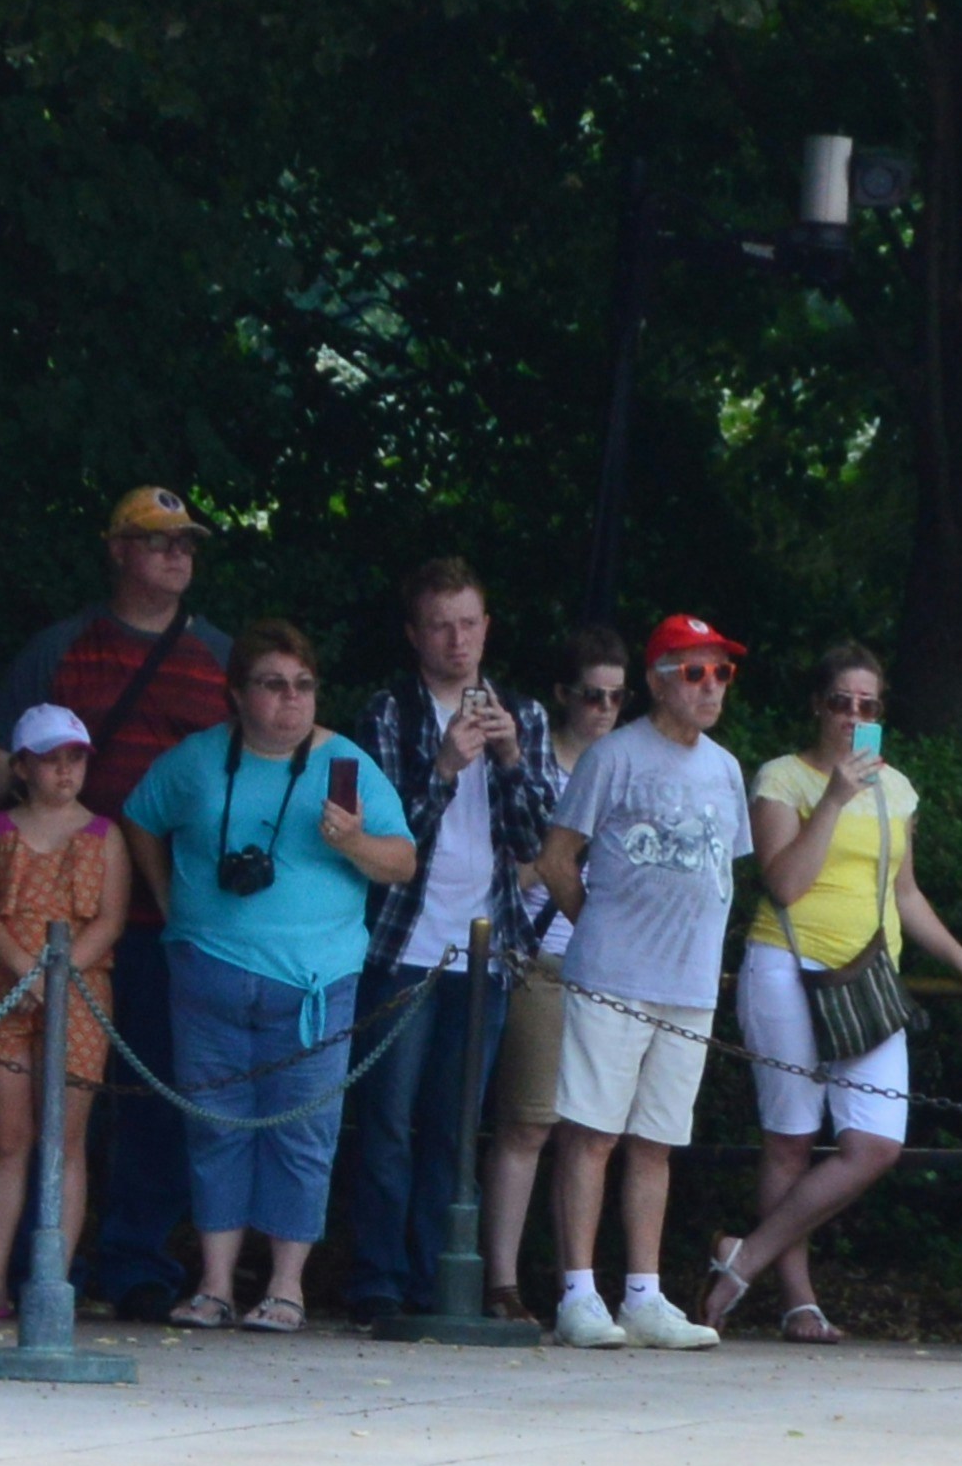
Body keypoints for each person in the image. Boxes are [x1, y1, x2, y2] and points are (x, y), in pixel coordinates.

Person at [0, 490, 231, 1317]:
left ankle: (137, 1263)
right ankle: (49, 1270)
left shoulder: (220, 655)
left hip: (163, 916)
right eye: (157, 543)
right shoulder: (61, 649)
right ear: (115, 550)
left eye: (187, 543)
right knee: (40, 1117)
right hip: (37, 924)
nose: (177, 555)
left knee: (149, 1096)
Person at [710, 643, 962, 1338]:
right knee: (790, 1142)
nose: (855, 717)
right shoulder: (782, 779)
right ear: (818, 708)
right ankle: (798, 1302)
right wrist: (834, 797)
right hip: (788, 968)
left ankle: (747, 1257)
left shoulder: (899, 789)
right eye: (842, 704)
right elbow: (785, 883)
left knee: (877, 1143)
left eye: (868, 706)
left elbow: (905, 892)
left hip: (869, 977)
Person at [123, 620, 420, 1327]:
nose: (291, 700)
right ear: (237, 695)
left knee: (303, 1132)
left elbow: (403, 862)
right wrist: (170, 902)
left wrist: (353, 844)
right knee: (215, 1126)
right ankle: (217, 1283)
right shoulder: (195, 761)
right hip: (208, 974)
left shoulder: (343, 764)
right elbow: (138, 817)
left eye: (303, 686)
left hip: (315, 984)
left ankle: (287, 1286)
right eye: (273, 685)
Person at [523, 612, 756, 1347]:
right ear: (657, 683)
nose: (711, 685)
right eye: (695, 671)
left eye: (722, 671)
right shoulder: (614, 757)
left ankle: (645, 1294)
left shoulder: (724, 768)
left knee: (656, 1140)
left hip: (688, 986)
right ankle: (578, 1293)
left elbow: (724, 873)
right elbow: (559, 857)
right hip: (613, 978)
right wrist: (599, 930)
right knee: (590, 1133)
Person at [333, 561, 557, 1323]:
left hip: (485, 949)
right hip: (403, 946)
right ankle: (377, 1281)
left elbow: (539, 845)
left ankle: (438, 1282)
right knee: (388, 1124)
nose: (457, 640)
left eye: (469, 623)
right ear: (414, 634)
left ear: (487, 628)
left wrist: (511, 760)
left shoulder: (520, 713)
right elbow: (388, 844)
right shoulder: (389, 713)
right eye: (440, 625)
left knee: (454, 1128)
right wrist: (444, 767)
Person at [0, 701, 130, 1321]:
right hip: (3, 990)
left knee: (65, 1142)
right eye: (50, 760)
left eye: (74, 759)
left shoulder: (105, 836)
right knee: (8, 1138)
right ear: (21, 767)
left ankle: (54, 1280)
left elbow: (110, 918)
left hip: (78, 996)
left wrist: (59, 973)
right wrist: (26, 968)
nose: (65, 772)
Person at [481, 632, 638, 1314]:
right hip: (544, 953)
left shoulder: (631, 768)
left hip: (613, 968)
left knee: (593, 1131)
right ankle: (502, 1281)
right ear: (563, 696)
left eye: (616, 696)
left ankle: (577, 1283)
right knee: (528, 1124)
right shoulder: (534, 768)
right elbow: (512, 863)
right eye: (591, 694)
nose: (604, 708)